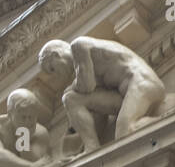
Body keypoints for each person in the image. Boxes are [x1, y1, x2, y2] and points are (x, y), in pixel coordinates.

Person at [38, 37, 166, 153]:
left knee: (125, 133)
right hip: (125, 95)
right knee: (71, 99)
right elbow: (96, 112)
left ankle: (167, 116)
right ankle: (91, 147)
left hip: (142, 83)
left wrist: (71, 88)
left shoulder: (78, 46)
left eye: (52, 69)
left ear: (56, 55)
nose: (57, 75)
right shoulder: (89, 68)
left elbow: (86, 86)